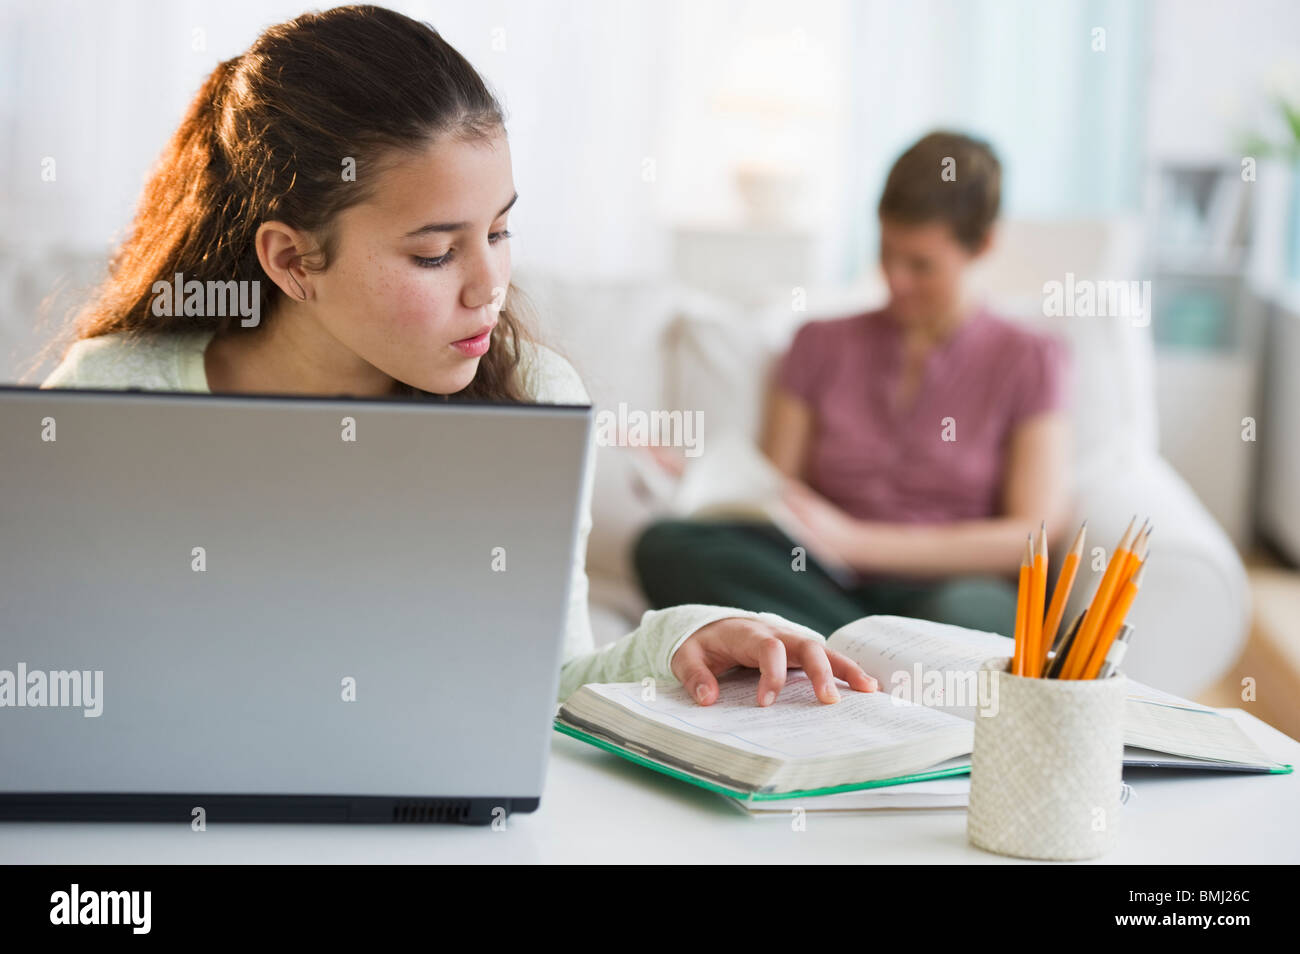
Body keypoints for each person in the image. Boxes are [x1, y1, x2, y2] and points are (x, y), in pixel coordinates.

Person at [37, 5, 875, 709]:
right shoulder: (114, 390)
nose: (489, 287)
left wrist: (677, 637)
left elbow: (548, 688)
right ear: (292, 260)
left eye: (501, 231)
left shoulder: (533, 399)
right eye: (435, 254)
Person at [634, 131, 1073, 639]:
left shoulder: (1030, 358)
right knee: (665, 545)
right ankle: (872, 655)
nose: (897, 280)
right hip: (821, 577)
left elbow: (1032, 534)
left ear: (984, 246)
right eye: (887, 253)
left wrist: (858, 541)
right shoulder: (819, 343)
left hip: (948, 585)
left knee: (973, 616)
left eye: (922, 265)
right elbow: (774, 491)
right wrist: (704, 476)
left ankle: (828, 647)